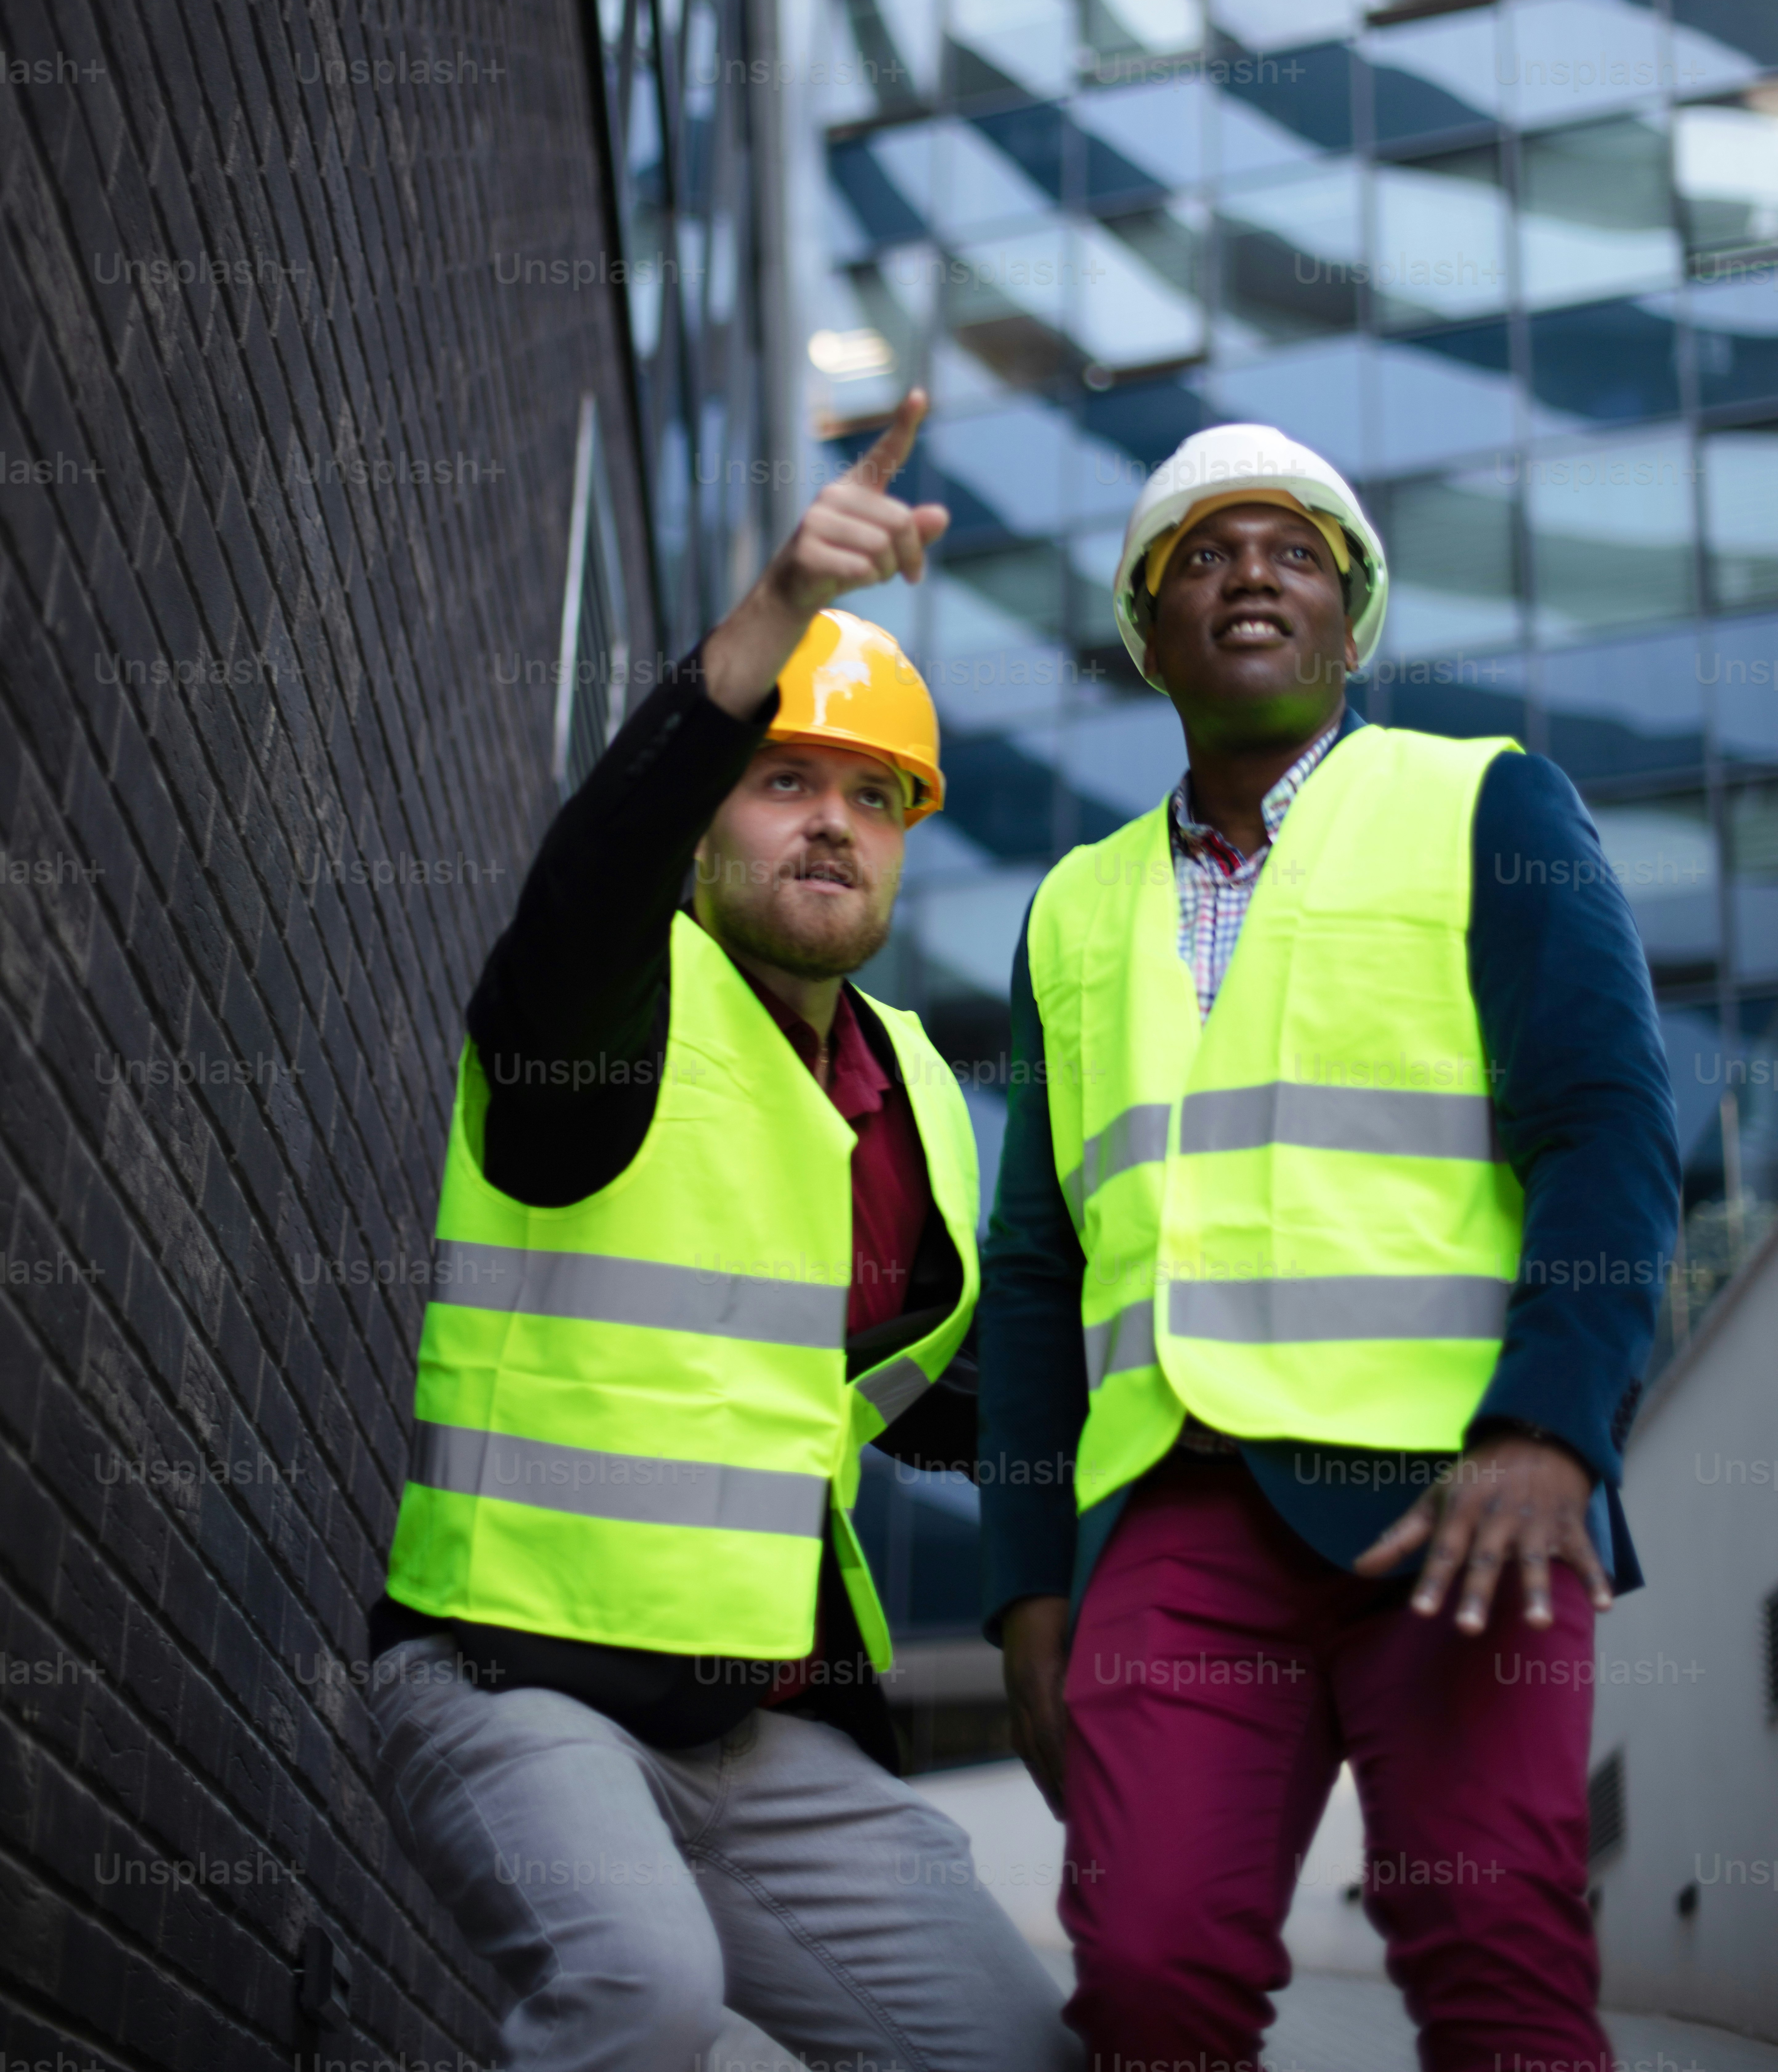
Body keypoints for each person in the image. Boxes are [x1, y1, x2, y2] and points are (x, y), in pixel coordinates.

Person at [365, 394, 1077, 2072]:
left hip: (760, 1725)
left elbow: (948, 1401)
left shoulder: (911, 1088)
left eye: (874, 795)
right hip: (514, 1678)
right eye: (784, 780)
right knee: (643, 1987)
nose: (832, 820)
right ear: (708, 817)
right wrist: (775, 613)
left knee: (1018, 2051)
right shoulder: (609, 1007)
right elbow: (592, 876)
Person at [978, 420, 1681, 2072]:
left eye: (1294, 552)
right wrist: (1025, 1591)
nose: (1251, 576)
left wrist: (1551, 1428)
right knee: (1146, 1968)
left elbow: (1607, 1127)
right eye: (1205, 556)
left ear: (1349, 629)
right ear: (1149, 635)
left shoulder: (1485, 804)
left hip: (1460, 1501)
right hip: (1180, 1517)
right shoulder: (1072, 906)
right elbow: (1034, 1272)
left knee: (1497, 1956)